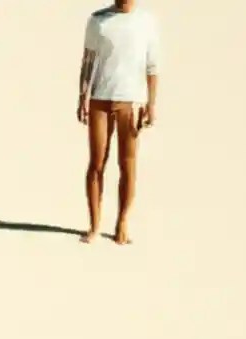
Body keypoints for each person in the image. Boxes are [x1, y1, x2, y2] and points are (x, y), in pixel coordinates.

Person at [76, 1, 160, 245]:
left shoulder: (146, 21)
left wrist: (151, 104)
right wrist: (82, 97)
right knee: (96, 162)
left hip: (131, 101)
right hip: (100, 98)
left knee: (128, 163)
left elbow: (152, 66)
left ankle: (122, 222)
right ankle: (94, 226)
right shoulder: (98, 20)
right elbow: (88, 60)